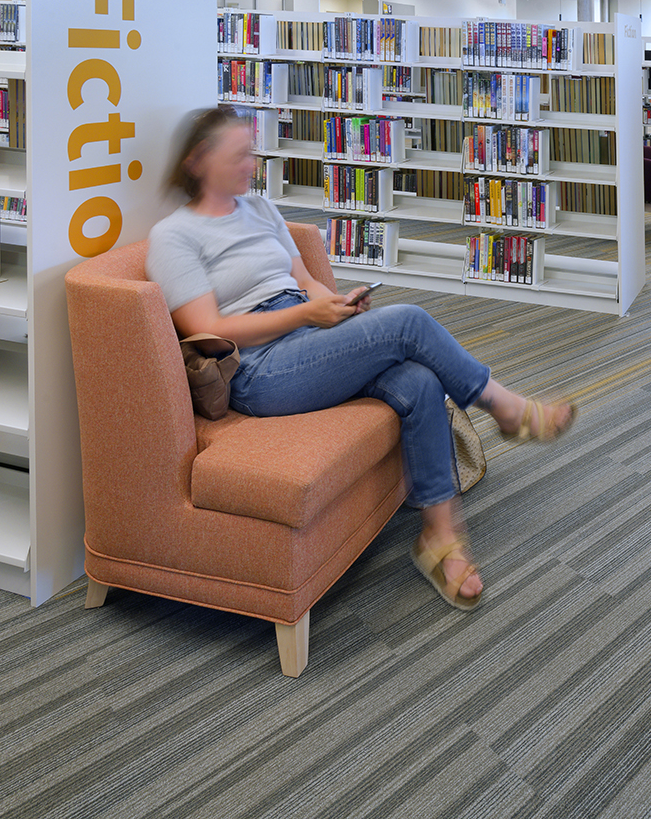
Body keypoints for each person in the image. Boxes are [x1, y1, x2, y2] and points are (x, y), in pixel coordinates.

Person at [145, 106, 575, 609]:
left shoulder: (259, 208)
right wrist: (306, 315)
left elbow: (304, 282)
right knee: (409, 320)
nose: (252, 162)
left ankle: (440, 536)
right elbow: (209, 330)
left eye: (251, 151)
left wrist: (334, 305)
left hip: (305, 337)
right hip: (258, 369)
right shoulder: (174, 235)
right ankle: (507, 409)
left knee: (418, 379)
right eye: (239, 154)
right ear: (199, 160)